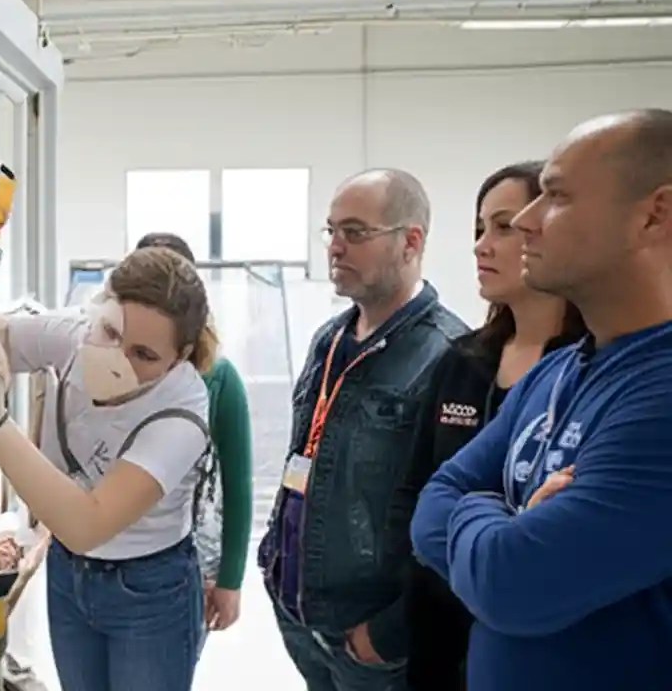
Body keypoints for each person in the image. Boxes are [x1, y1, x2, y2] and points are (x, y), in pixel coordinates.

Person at [410, 109, 672, 691]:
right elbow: (430, 505)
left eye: (555, 196)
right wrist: (511, 527)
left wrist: (490, 519)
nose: (528, 222)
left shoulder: (660, 391)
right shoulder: (557, 371)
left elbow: (513, 585)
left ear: (655, 215)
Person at [0, 246, 217, 691]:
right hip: (69, 574)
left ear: (181, 355)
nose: (119, 360)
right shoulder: (77, 335)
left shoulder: (182, 412)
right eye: (111, 334)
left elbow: (88, 522)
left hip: (148, 589)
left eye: (144, 354)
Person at [256, 169, 467, 691]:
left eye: (355, 232)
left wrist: (391, 632)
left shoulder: (451, 357)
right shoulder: (329, 338)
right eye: (331, 231)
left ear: (410, 241)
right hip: (302, 611)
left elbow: (451, 521)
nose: (336, 247)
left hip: (371, 638)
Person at [399, 161, 586, 690]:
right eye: (480, 229)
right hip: (438, 629)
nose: (482, 245)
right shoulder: (462, 359)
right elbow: (418, 494)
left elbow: (556, 539)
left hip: (532, 640)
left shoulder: (586, 368)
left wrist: (473, 521)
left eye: (503, 227)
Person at [133, 232, 252, 643]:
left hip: (191, 560)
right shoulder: (108, 368)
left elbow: (238, 485)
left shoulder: (218, 377)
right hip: (110, 556)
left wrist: (230, 579)